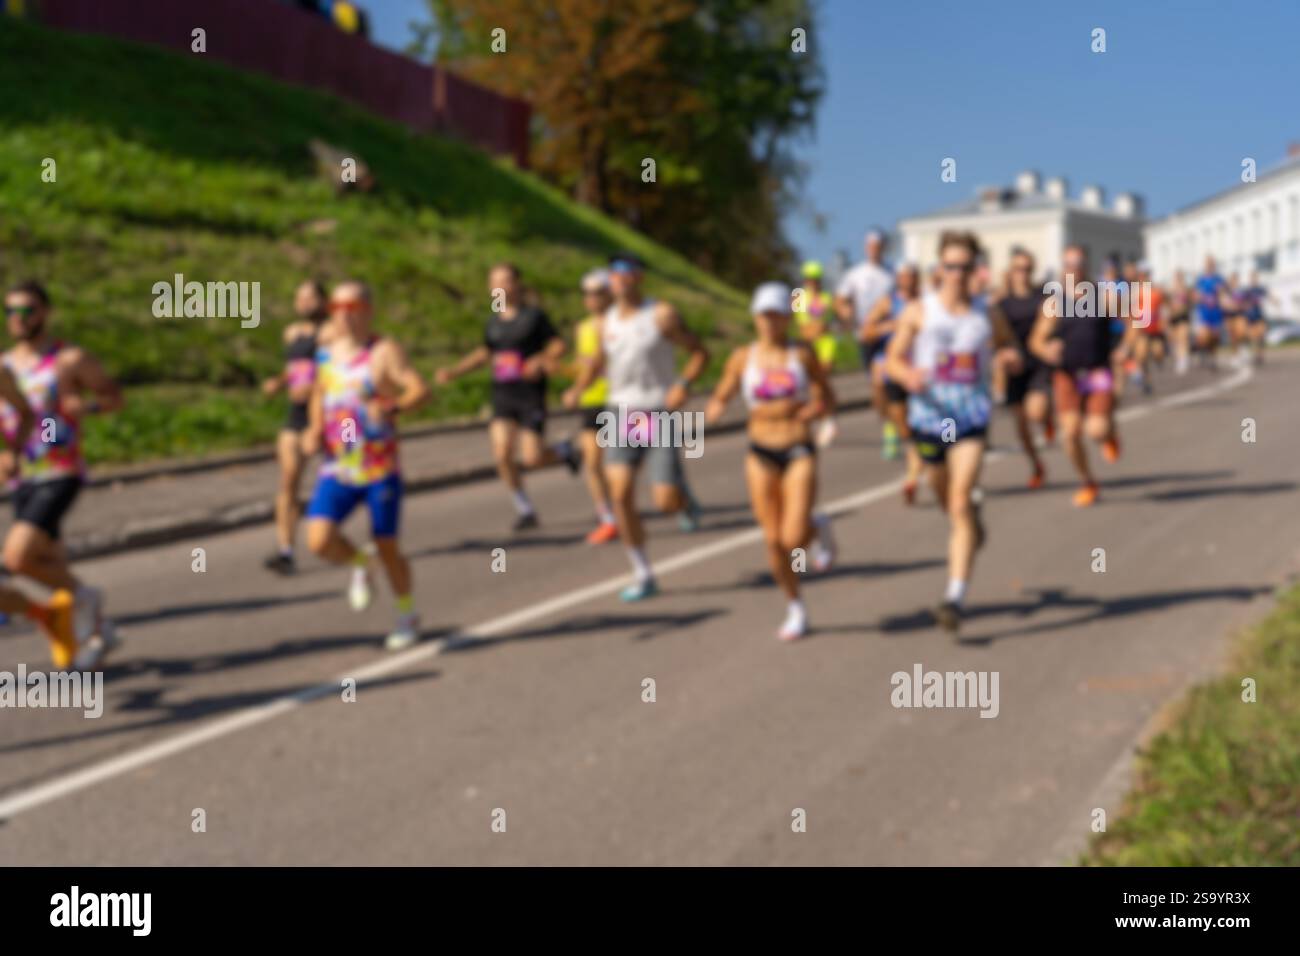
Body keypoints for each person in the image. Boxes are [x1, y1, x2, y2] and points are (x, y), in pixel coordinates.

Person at [885, 232, 1023, 635]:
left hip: (970, 418)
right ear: (939, 269)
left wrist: (1010, 356)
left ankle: (954, 598)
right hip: (930, 418)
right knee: (950, 504)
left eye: (965, 267)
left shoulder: (987, 313)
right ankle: (972, 527)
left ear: (976, 270)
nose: (957, 275)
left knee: (960, 501)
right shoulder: (918, 311)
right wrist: (906, 373)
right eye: (950, 266)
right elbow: (891, 360)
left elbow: (1007, 345)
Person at [566, 252, 709, 601]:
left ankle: (684, 499)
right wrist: (579, 387)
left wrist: (683, 385)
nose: (620, 281)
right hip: (623, 414)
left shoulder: (661, 314)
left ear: (640, 279)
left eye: (628, 274)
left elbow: (700, 353)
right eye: (615, 275)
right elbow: (600, 359)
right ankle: (643, 573)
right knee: (621, 493)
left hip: (658, 412)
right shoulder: (604, 322)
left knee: (664, 502)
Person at [0, 280, 124, 670]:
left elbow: (113, 397)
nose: (18, 319)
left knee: (18, 559)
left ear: (45, 313)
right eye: (10, 312)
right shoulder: (4, 366)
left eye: (27, 310)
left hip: (59, 470)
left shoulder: (68, 360)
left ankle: (86, 600)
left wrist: (84, 407)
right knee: (50, 562)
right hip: (23, 476)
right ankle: (99, 633)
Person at [302, 281, 430, 650]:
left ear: (368, 309)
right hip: (338, 466)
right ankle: (361, 563)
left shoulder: (383, 352)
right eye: (337, 305)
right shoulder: (325, 354)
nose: (344, 312)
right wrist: (313, 429)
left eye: (353, 304)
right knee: (318, 540)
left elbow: (420, 390)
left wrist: (393, 407)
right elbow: (319, 393)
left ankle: (407, 614)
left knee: (387, 544)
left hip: (378, 467)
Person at [706, 282, 836, 640]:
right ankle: (795, 606)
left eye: (777, 315)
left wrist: (815, 410)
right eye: (764, 315)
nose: (770, 322)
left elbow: (826, 396)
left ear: (787, 319)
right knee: (774, 542)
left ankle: (818, 527)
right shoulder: (742, 357)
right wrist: (712, 412)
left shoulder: (802, 354)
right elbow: (723, 392)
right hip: (760, 451)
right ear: (755, 318)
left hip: (797, 448)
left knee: (794, 539)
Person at [436, 263, 578, 532]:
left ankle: (562, 452)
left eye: (505, 281)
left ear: (516, 285)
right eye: (494, 282)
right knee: (501, 453)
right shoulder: (494, 319)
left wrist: (540, 359)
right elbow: (485, 353)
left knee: (532, 459)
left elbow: (559, 345)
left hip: (530, 394)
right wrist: (454, 371)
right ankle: (524, 508)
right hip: (503, 394)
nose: (499, 286)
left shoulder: (533, 316)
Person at [1029, 245, 1124, 508]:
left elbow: (1135, 319)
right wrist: (1046, 349)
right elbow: (1036, 339)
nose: (1074, 269)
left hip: (1097, 371)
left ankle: (1110, 433)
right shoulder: (1054, 302)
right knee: (1069, 433)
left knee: (1096, 430)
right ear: (1063, 268)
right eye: (1069, 264)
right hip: (1067, 374)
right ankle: (1088, 481)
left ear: (1086, 266)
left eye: (1078, 264)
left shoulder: (1103, 296)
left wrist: (1124, 347)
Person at [262, 280, 332, 575]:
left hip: (330, 415)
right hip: (296, 415)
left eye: (309, 297)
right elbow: (294, 368)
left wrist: (317, 386)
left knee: (350, 477)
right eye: (299, 298)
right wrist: (279, 382)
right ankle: (286, 550)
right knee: (289, 479)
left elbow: (338, 368)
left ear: (323, 301)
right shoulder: (291, 333)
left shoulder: (332, 333)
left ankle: (359, 537)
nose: (303, 303)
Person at [989, 248, 1052, 488]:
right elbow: (994, 338)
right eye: (1018, 269)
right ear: (1010, 272)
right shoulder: (1001, 303)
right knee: (1022, 427)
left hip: (1037, 364)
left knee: (1036, 411)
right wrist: (1002, 354)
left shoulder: (1042, 297)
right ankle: (1036, 465)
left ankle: (1047, 418)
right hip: (1015, 369)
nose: (1022, 274)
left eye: (1027, 269)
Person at [863, 263, 925, 499]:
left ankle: (915, 472)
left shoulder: (927, 302)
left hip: (920, 367)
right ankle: (891, 427)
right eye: (903, 277)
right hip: (894, 364)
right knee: (902, 420)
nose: (907, 281)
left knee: (930, 425)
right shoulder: (888, 302)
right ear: (898, 279)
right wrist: (890, 326)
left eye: (911, 276)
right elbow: (866, 332)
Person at [835, 230, 894, 454]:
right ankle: (888, 423)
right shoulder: (855, 274)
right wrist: (847, 314)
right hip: (866, 337)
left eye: (877, 245)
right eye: (870, 245)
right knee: (877, 388)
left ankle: (894, 429)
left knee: (885, 383)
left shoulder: (893, 273)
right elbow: (840, 300)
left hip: (890, 337)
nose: (874, 249)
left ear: (884, 247)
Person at [570, 268, 619, 544]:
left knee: (640, 456)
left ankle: (680, 496)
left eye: (598, 292)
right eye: (587, 293)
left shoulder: (620, 324)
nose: (591, 298)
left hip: (620, 398)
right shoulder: (582, 328)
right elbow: (581, 363)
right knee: (593, 462)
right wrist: (564, 372)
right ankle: (608, 518)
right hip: (592, 400)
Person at [793, 260, 840, 446]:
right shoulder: (797, 296)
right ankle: (825, 416)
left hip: (825, 345)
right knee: (811, 386)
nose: (812, 282)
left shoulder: (827, 298)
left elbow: (829, 323)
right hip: (807, 345)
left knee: (820, 382)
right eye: (809, 279)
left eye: (815, 279)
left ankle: (827, 419)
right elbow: (797, 323)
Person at [1192, 256, 1229, 369]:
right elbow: (1195, 296)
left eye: (1211, 263)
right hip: (1204, 313)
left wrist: (1225, 301)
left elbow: (1223, 294)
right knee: (1205, 336)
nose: (1209, 266)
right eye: (1207, 263)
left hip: (1216, 313)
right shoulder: (1200, 280)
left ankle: (1213, 358)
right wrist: (1199, 297)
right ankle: (1201, 351)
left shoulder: (1219, 279)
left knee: (1215, 337)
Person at [1167, 269, 1193, 375]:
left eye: (1179, 277)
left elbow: (1185, 305)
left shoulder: (1185, 290)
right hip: (1173, 319)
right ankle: (1179, 359)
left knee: (1183, 338)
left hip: (1182, 317)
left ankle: (1183, 359)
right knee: (1175, 340)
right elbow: (1167, 304)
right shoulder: (1170, 290)